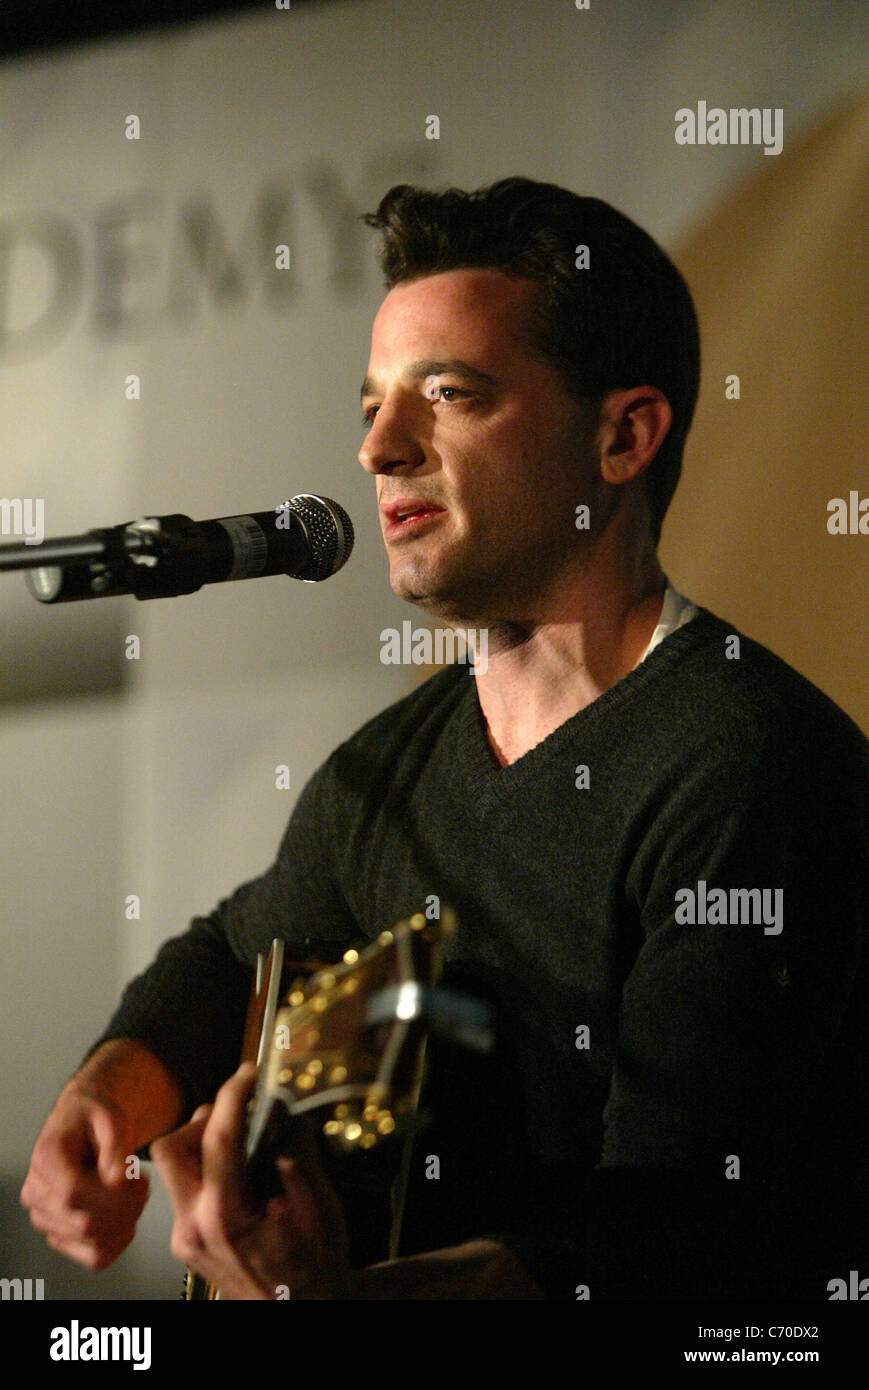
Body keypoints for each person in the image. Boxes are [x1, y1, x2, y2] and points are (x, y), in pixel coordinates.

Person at [21, 178, 868, 1300]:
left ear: (621, 436)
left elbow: (673, 1238)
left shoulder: (745, 765)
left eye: (448, 395)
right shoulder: (381, 777)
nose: (377, 448)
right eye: (370, 404)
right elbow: (232, 959)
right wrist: (109, 1097)